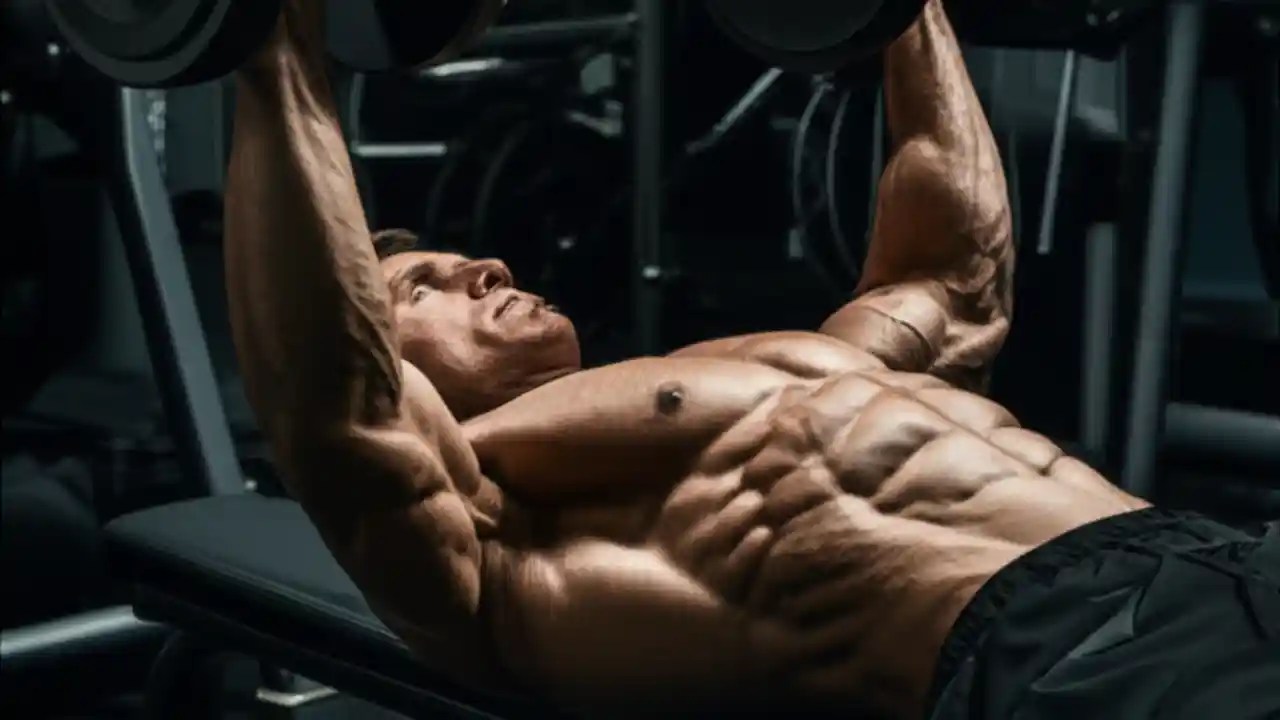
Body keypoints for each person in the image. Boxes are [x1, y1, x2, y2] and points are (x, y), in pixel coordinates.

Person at [223, 1, 1280, 718]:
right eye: (422, 287)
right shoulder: (493, 527)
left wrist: (902, 14)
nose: (483, 266)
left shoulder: (775, 369)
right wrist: (275, 45)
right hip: (1069, 653)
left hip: (1213, 556)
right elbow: (332, 398)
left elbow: (953, 281)